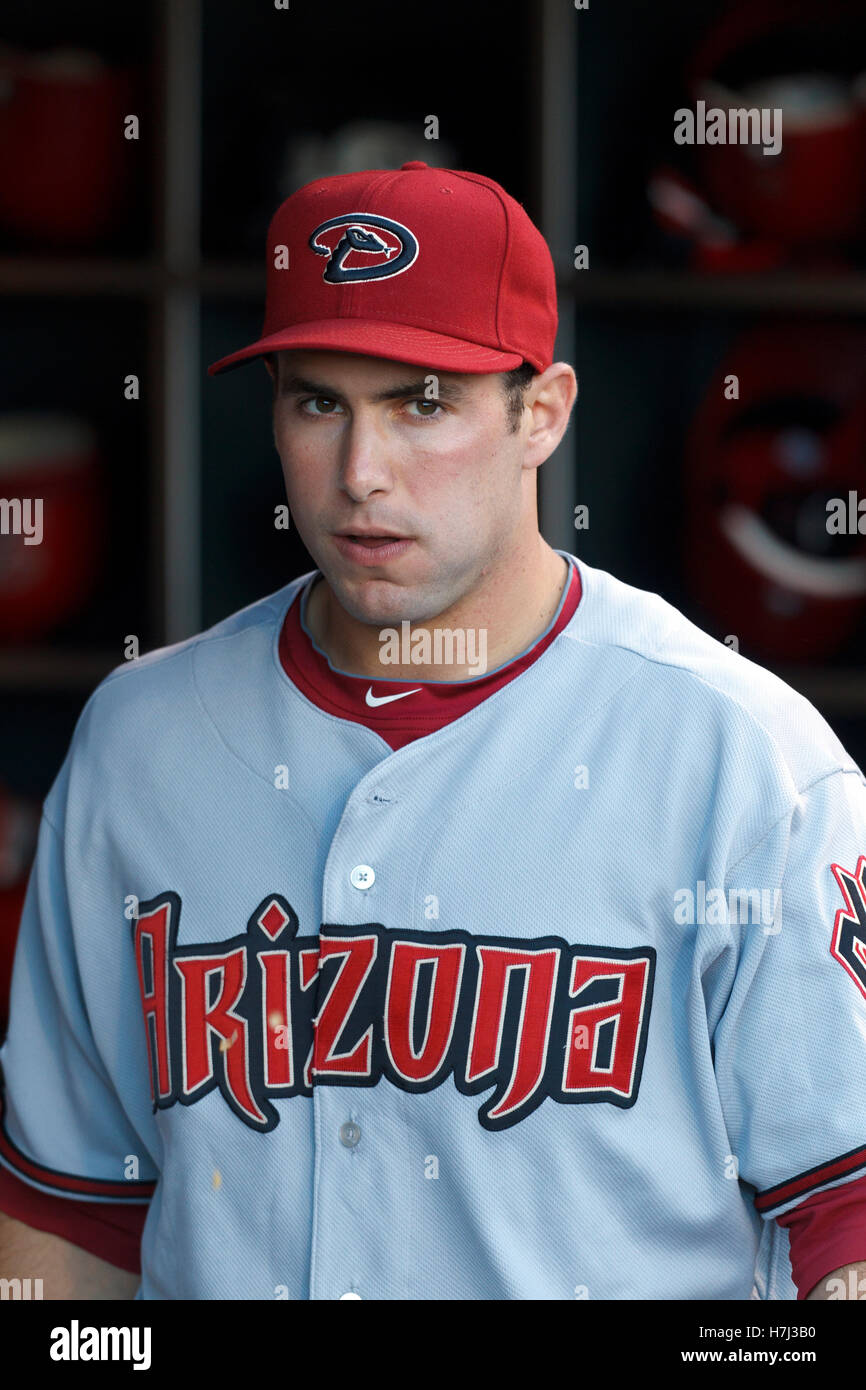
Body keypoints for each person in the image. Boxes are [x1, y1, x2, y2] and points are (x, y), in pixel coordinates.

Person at [1, 161, 865, 1301]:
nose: (362, 475)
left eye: (420, 402)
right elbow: (71, 1214)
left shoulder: (741, 761)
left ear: (540, 413)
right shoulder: (140, 738)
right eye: (318, 401)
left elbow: (841, 1228)